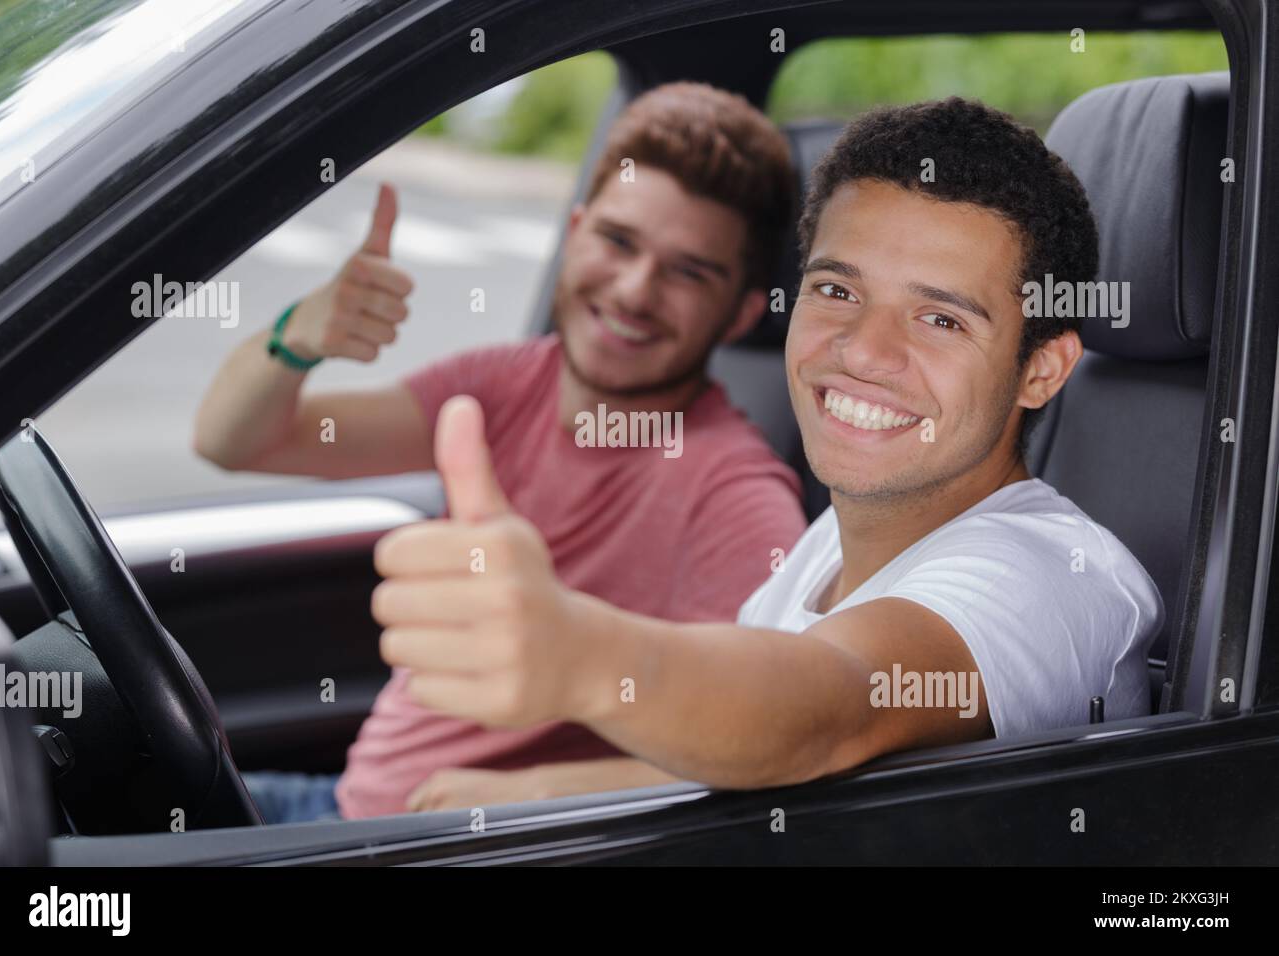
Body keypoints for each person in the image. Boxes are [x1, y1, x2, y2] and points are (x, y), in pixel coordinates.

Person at [370, 97, 1164, 791]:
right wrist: (535, 793)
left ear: (1042, 370)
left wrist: (580, 657)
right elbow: (744, 740)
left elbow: (831, 703)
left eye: (941, 319)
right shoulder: (835, 540)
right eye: (837, 290)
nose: (862, 352)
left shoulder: (1051, 579)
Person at [193, 82, 808, 821]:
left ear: (742, 311)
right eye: (617, 241)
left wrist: (537, 796)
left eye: (688, 272)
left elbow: (778, 740)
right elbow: (233, 440)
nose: (636, 291)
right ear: (575, 231)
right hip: (336, 810)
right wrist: (296, 337)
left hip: (454, 845)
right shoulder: (506, 382)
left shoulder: (735, 493)